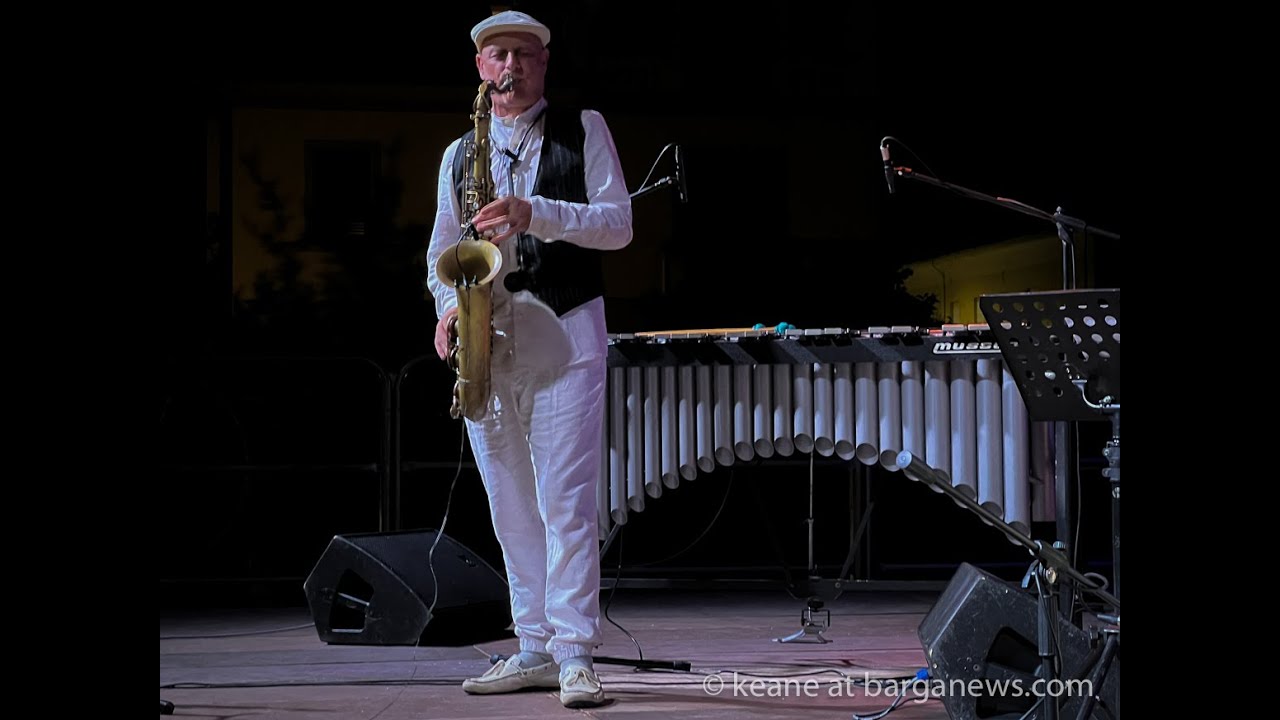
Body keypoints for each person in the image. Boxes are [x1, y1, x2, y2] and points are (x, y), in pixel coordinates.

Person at [424, 9, 633, 710]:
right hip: (490, 339)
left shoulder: (584, 128)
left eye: (522, 54)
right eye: (498, 56)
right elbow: (441, 249)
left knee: (565, 503)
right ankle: (534, 646)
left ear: (543, 64)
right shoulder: (460, 153)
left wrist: (535, 212)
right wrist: (446, 308)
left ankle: (575, 654)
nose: (509, 66)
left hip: (565, 336)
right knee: (510, 507)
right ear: (480, 69)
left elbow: (618, 225)